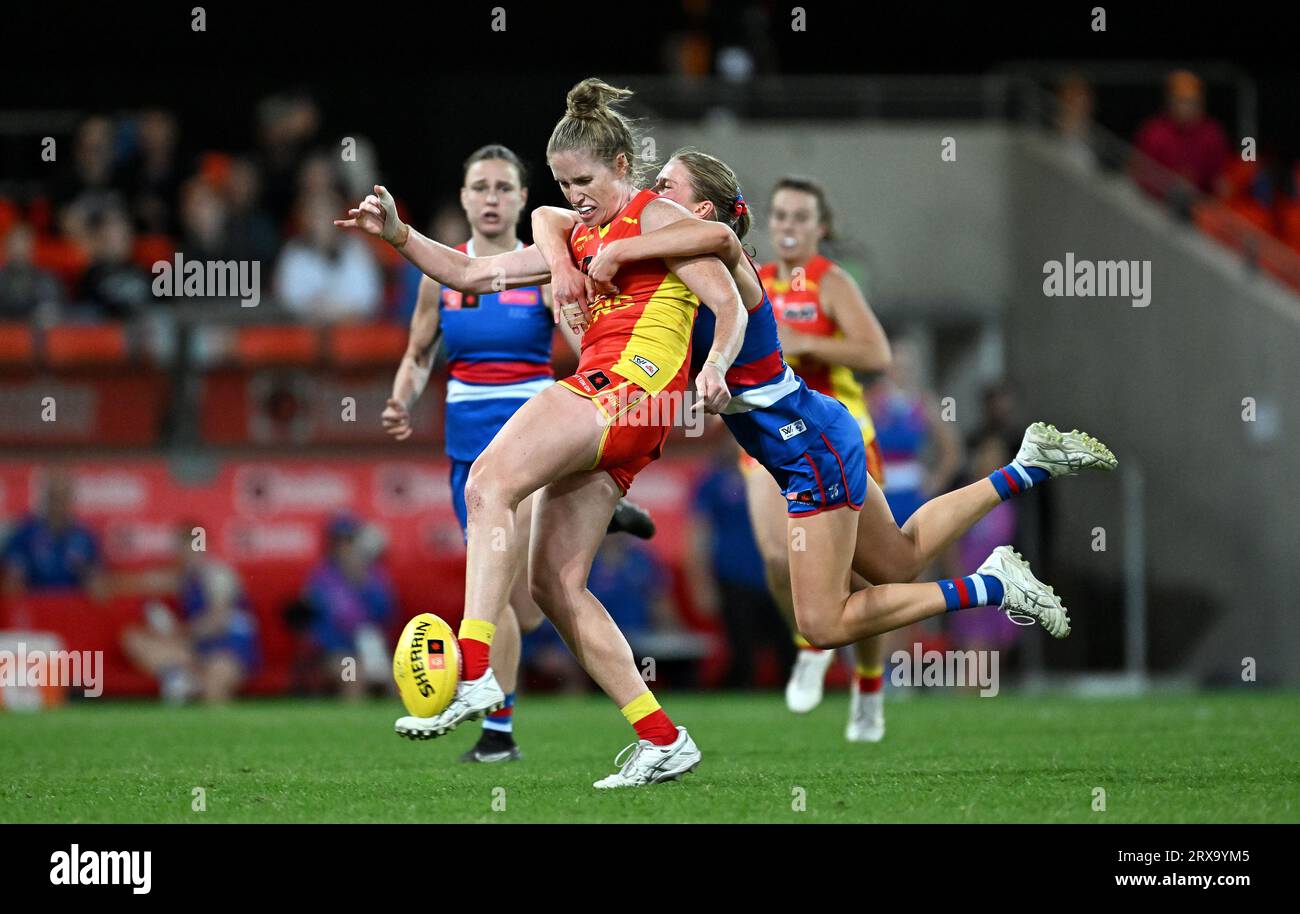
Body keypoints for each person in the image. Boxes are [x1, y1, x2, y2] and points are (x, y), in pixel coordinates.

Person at [536, 148, 1118, 721]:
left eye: (667, 186)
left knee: (822, 621)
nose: (650, 195)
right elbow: (549, 220)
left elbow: (719, 242)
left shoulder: (720, 260)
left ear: (703, 210)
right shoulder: (672, 273)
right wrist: (563, 264)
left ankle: (991, 587)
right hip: (814, 432)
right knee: (901, 559)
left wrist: (618, 249)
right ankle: (1027, 466)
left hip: (807, 444)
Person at [337, 79, 748, 788]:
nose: (575, 196)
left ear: (622, 164)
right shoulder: (581, 234)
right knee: (554, 584)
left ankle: (473, 670)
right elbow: (472, 271)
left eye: (585, 181)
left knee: (488, 482)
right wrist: (400, 236)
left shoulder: (656, 216)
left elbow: (729, 302)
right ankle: (662, 738)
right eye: (563, 184)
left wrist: (714, 366)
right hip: (629, 415)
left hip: (628, 387)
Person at [380, 143, 655, 764]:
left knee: (506, 595)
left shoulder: (544, 270)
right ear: (464, 198)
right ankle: (594, 509)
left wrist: (610, 384)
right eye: (480, 187)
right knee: (526, 609)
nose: (492, 198)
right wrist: (401, 398)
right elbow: (418, 353)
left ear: (523, 199)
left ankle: (496, 731)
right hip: (465, 452)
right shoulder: (442, 276)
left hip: (531, 449)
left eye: (504, 187)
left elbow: (586, 342)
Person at [119, 522, 260, 703]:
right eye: (183, 548)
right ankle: (181, 677)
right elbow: (147, 582)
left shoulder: (218, 574)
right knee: (134, 638)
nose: (187, 554)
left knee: (214, 686)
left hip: (230, 644)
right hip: (198, 645)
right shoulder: (184, 577)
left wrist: (180, 632)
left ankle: (190, 681)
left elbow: (217, 620)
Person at [300, 514, 395, 699]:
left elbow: (386, 614)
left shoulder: (373, 574)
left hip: (372, 649)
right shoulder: (321, 577)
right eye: (340, 541)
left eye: (349, 540)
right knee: (353, 677)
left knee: (396, 679)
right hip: (338, 653)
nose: (345, 546)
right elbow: (314, 624)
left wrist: (363, 583)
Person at [2, 471, 104, 598]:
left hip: (73, 606)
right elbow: (12, 581)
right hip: (35, 604)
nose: (58, 504)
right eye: (54, 497)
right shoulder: (23, 534)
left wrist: (91, 578)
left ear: (71, 500)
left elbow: (99, 581)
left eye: (64, 497)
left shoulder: (86, 537)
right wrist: (15, 576)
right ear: (44, 499)